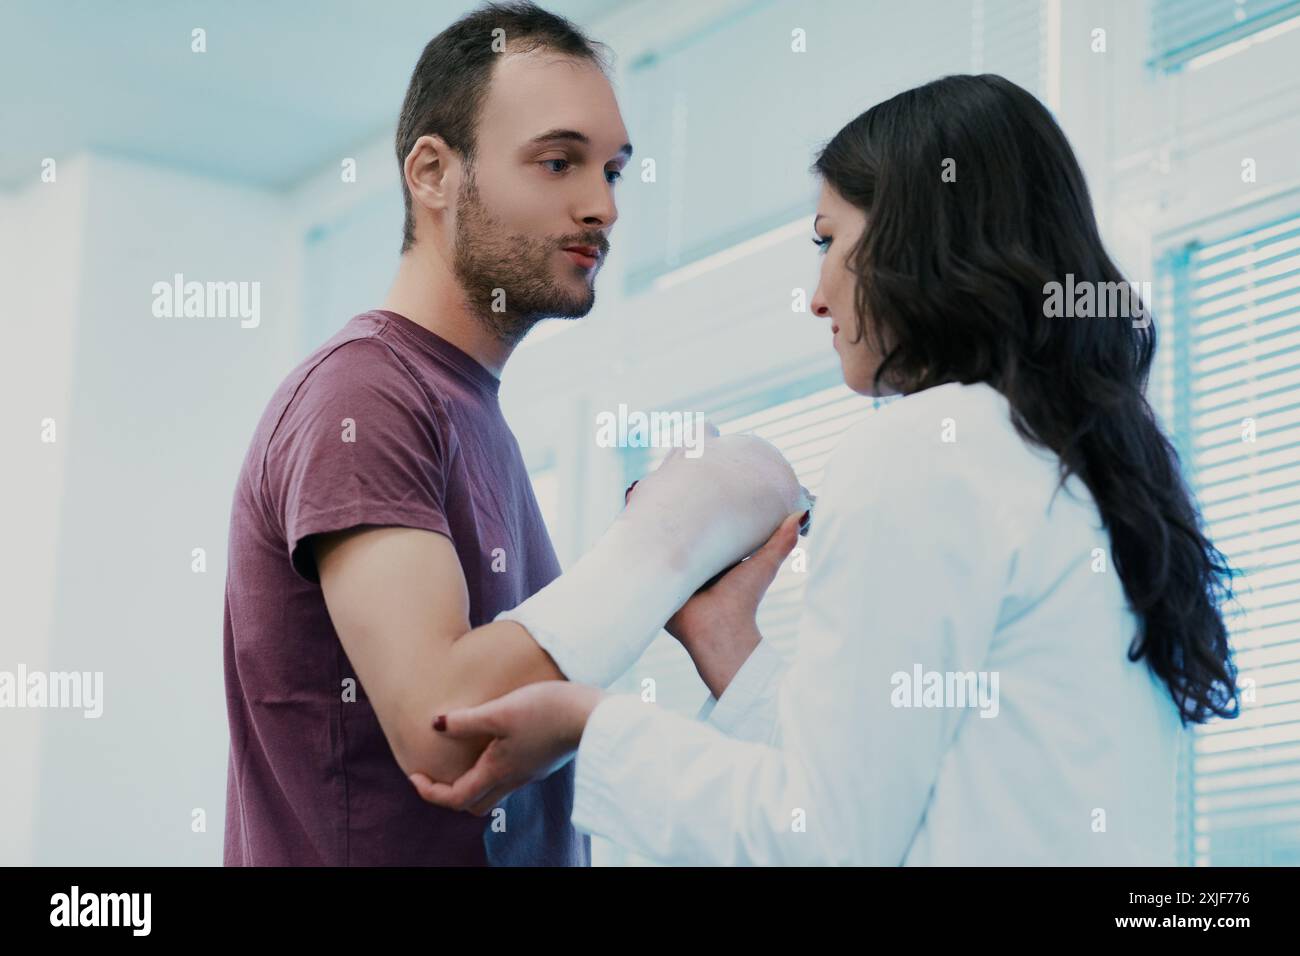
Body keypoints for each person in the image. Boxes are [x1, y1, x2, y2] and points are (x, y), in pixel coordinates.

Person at [409, 74, 1241, 865]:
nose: (815, 296)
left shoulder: (927, 447)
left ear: (919, 241)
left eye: (828, 241)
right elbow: (888, 791)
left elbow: (820, 841)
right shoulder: (1083, 469)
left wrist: (585, 727)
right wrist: (729, 642)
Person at [223, 1, 670, 866]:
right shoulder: (366, 394)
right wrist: (668, 539)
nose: (602, 205)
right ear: (431, 172)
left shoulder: (468, 409)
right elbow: (449, 736)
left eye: (613, 170)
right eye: (557, 161)